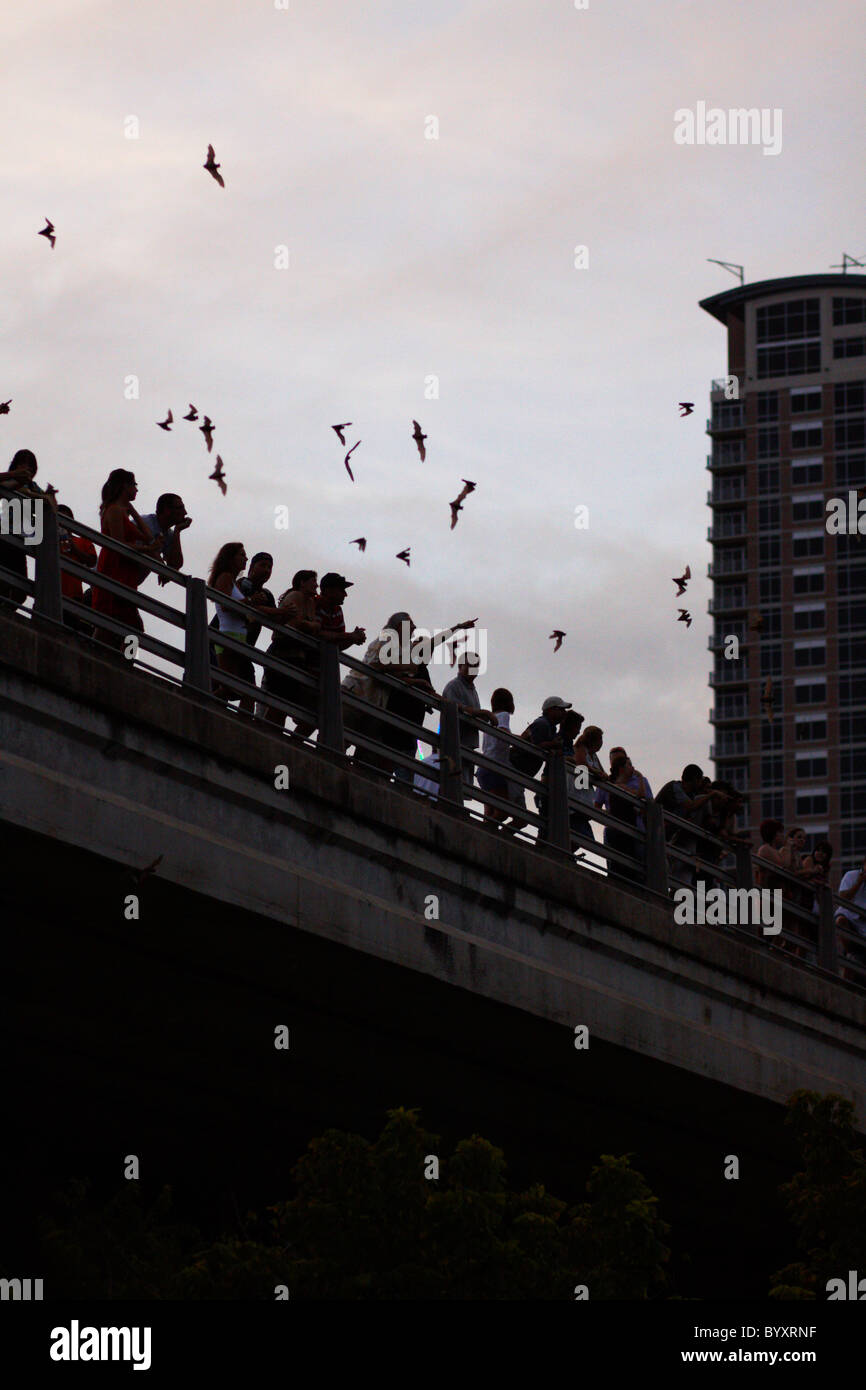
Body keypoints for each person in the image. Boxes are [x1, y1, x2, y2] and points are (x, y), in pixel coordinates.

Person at [91, 470, 162, 648]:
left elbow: (148, 537)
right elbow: (118, 544)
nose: (137, 490)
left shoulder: (123, 512)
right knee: (123, 627)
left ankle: (119, 660)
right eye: (134, 485)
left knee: (117, 627)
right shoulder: (114, 510)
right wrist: (148, 549)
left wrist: (132, 509)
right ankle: (125, 663)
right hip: (114, 572)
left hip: (125, 576)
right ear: (125, 486)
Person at [262, 570, 322, 731]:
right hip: (283, 653)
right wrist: (312, 626)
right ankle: (269, 734)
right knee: (279, 703)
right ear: (302, 582)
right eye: (312, 581)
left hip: (298, 657)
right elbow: (296, 623)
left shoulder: (310, 602)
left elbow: (311, 626)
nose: (316, 585)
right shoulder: (295, 596)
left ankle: (275, 734)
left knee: (287, 704)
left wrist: (311, 626)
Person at [655, 764, 725, 888]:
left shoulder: (690, 795)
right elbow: (691, 806)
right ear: (694, 780)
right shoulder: (675, 787)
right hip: (655, 833)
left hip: (666, 838)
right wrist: (711, 795)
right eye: (699, 780)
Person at [209, 543, 258, 715]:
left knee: (238, 689)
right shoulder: (225, 577)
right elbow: (225, 605)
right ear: (230, 558)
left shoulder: (232, 581)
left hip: (237, 637)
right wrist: (251, 602)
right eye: (241, 554)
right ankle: (202, 705)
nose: (245, 558)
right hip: (229, 636)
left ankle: (208, 707)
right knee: (239, 689)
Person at [442, 652, 495, 787]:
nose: (473, 669)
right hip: (454, 744)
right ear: (460, 666)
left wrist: (484, 717)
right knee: (452, 786)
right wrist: (482, 713)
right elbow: (455, 707)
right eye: (469, 665)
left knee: (464, 788)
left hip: (468, 745)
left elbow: (472, 714)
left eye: (476, 666)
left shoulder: (473, 690)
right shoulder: (453, 686)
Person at [477, 687, 527, 832]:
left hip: (484, 768)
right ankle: (487, 833)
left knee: (491, 812)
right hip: (495, 768)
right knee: (502, 812)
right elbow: (504, 733)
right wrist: (521, 741)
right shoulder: (503, 715)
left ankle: (488, 833)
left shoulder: (490, 720)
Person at [0, 450, 43, 608]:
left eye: (30, 465)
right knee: (5, 583)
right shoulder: (8, 481)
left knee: (20, 591)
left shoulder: (34, 487)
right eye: (22, 463)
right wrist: (14, 476)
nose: (26, 468)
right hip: (5, 538)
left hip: (22, 541)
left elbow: (49, 504)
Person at [606, 754, 645, 884]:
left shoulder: (619, 785)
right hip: (620, 833)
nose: (632, 767)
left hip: (624, 832)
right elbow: (640, 795)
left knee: (625, 867)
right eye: (629, 765)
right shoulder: (618, 785)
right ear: (622, 769)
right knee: (622, 867)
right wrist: (640, 777)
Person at [57, 504, 97, 632]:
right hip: (49, 592)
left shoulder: (82, 541)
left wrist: (73, 548)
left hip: (74, 598)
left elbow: (92, 561)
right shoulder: (47, 539)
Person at [138, 494, 193, 584]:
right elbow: (149, 551)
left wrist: (177, 532)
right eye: (180, 508)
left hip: (128, 583)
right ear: (167, 510)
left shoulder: (168, 534)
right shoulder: (147, 524)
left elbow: (176, 565)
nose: (185, 512)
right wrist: (164, 571)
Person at [834, 855, 866, 978]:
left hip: (863, 924)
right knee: (840, 921)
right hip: (849, 917)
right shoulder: (851, 876)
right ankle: (851, 952)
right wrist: (859, 883)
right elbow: (842, 898)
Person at [754, 818, 785, 892]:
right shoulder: (765, 849)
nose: (782, 835)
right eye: (780, 832)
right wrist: (788, 846)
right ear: (773, 833)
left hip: (775, 892)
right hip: (768, 893)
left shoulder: (773, 850)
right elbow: (783, 864)